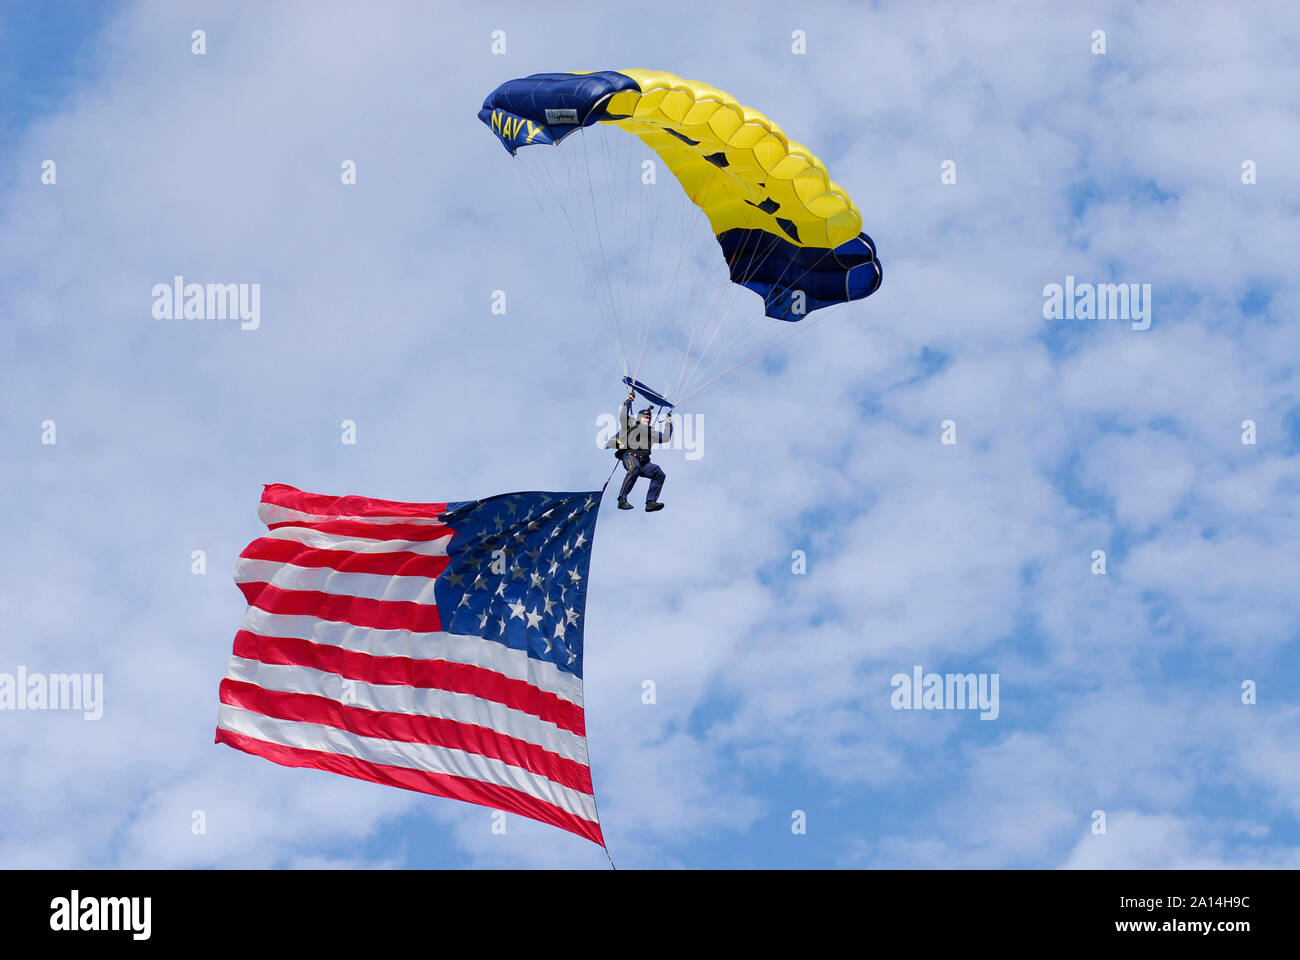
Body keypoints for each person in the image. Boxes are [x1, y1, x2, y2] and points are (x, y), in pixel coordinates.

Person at [614, 390, 671, 512]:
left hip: (644, 463)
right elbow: (623, 416)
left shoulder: (652, 433)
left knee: (659, 473)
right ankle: (622, 500)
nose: (648, 419)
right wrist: (629, 400)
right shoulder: (631, 425)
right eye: (646, 417)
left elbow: (665, 438)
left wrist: (668, 423)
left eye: (649, 418)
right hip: (630, 456)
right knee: (633, 468)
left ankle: (650, 502)